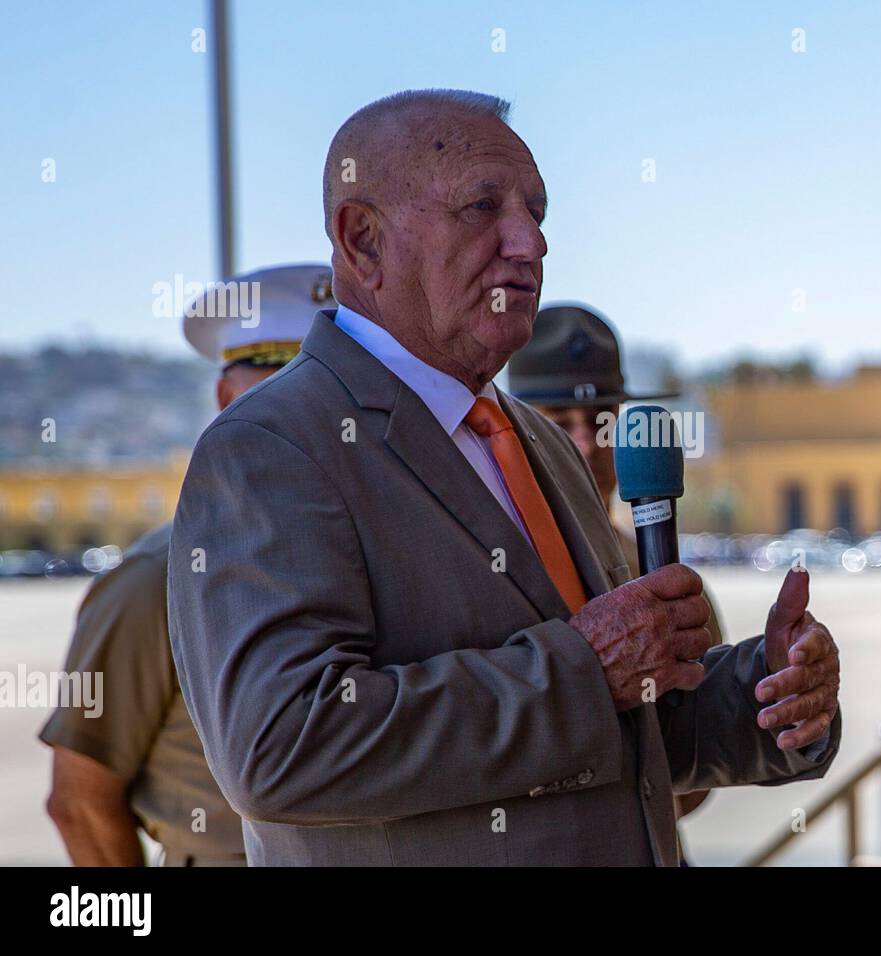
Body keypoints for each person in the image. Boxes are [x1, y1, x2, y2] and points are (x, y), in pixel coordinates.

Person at [168, 89, 841, 866]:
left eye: (538, 212)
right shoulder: (272, 447)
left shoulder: (536, 444)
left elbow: (617, 733)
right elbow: (282, 746)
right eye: (482, 206)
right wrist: (583, 670)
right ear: (363, 241)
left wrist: (769, 693)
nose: (529, 243)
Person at [40, 263, 335, 866]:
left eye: (327, 386)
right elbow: (81, 803)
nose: (308, 411)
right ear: (227, 398)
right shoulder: (158, 579)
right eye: (280, 383)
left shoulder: (372, 556)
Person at [507, 302, 722, 826]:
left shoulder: (659, 565)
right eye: (560, 423)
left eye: (603, 421)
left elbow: (694, 785)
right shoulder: (502, 570)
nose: (586, 442)